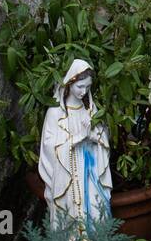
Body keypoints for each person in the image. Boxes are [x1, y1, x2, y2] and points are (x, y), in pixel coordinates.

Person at [38, 60, 112, 228]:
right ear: (70, 82)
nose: (84, 91)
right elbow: (49, 147)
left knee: (95, 209)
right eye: (80, 86)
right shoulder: (56, 113)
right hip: (68, 173)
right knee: (71, 214)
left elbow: (102, 136)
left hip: (90, 169)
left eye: (87, 87)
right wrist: (78, 138)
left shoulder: (90, 109)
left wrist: (96, 137)